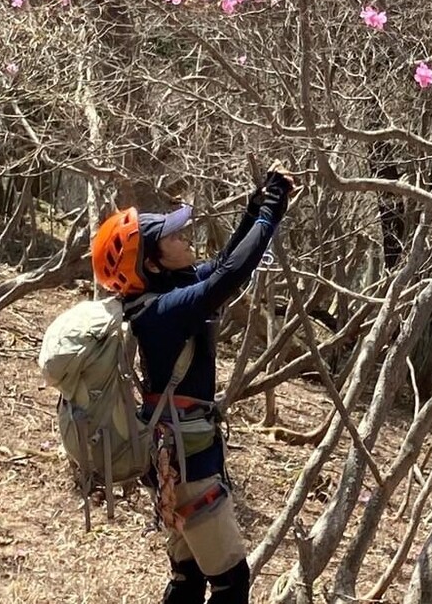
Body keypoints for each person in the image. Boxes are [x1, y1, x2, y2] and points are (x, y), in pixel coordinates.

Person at [90, 165, 295, 604]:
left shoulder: (154, 300)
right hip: (189, 462)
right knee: (230, 583)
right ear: (151, 262)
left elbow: (221, 266)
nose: (184, 238)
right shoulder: (166, 311)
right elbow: (229, 277)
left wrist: (252, 211)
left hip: (174, 454)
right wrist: (271, 211)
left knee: (188, 577)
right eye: (172, 237)